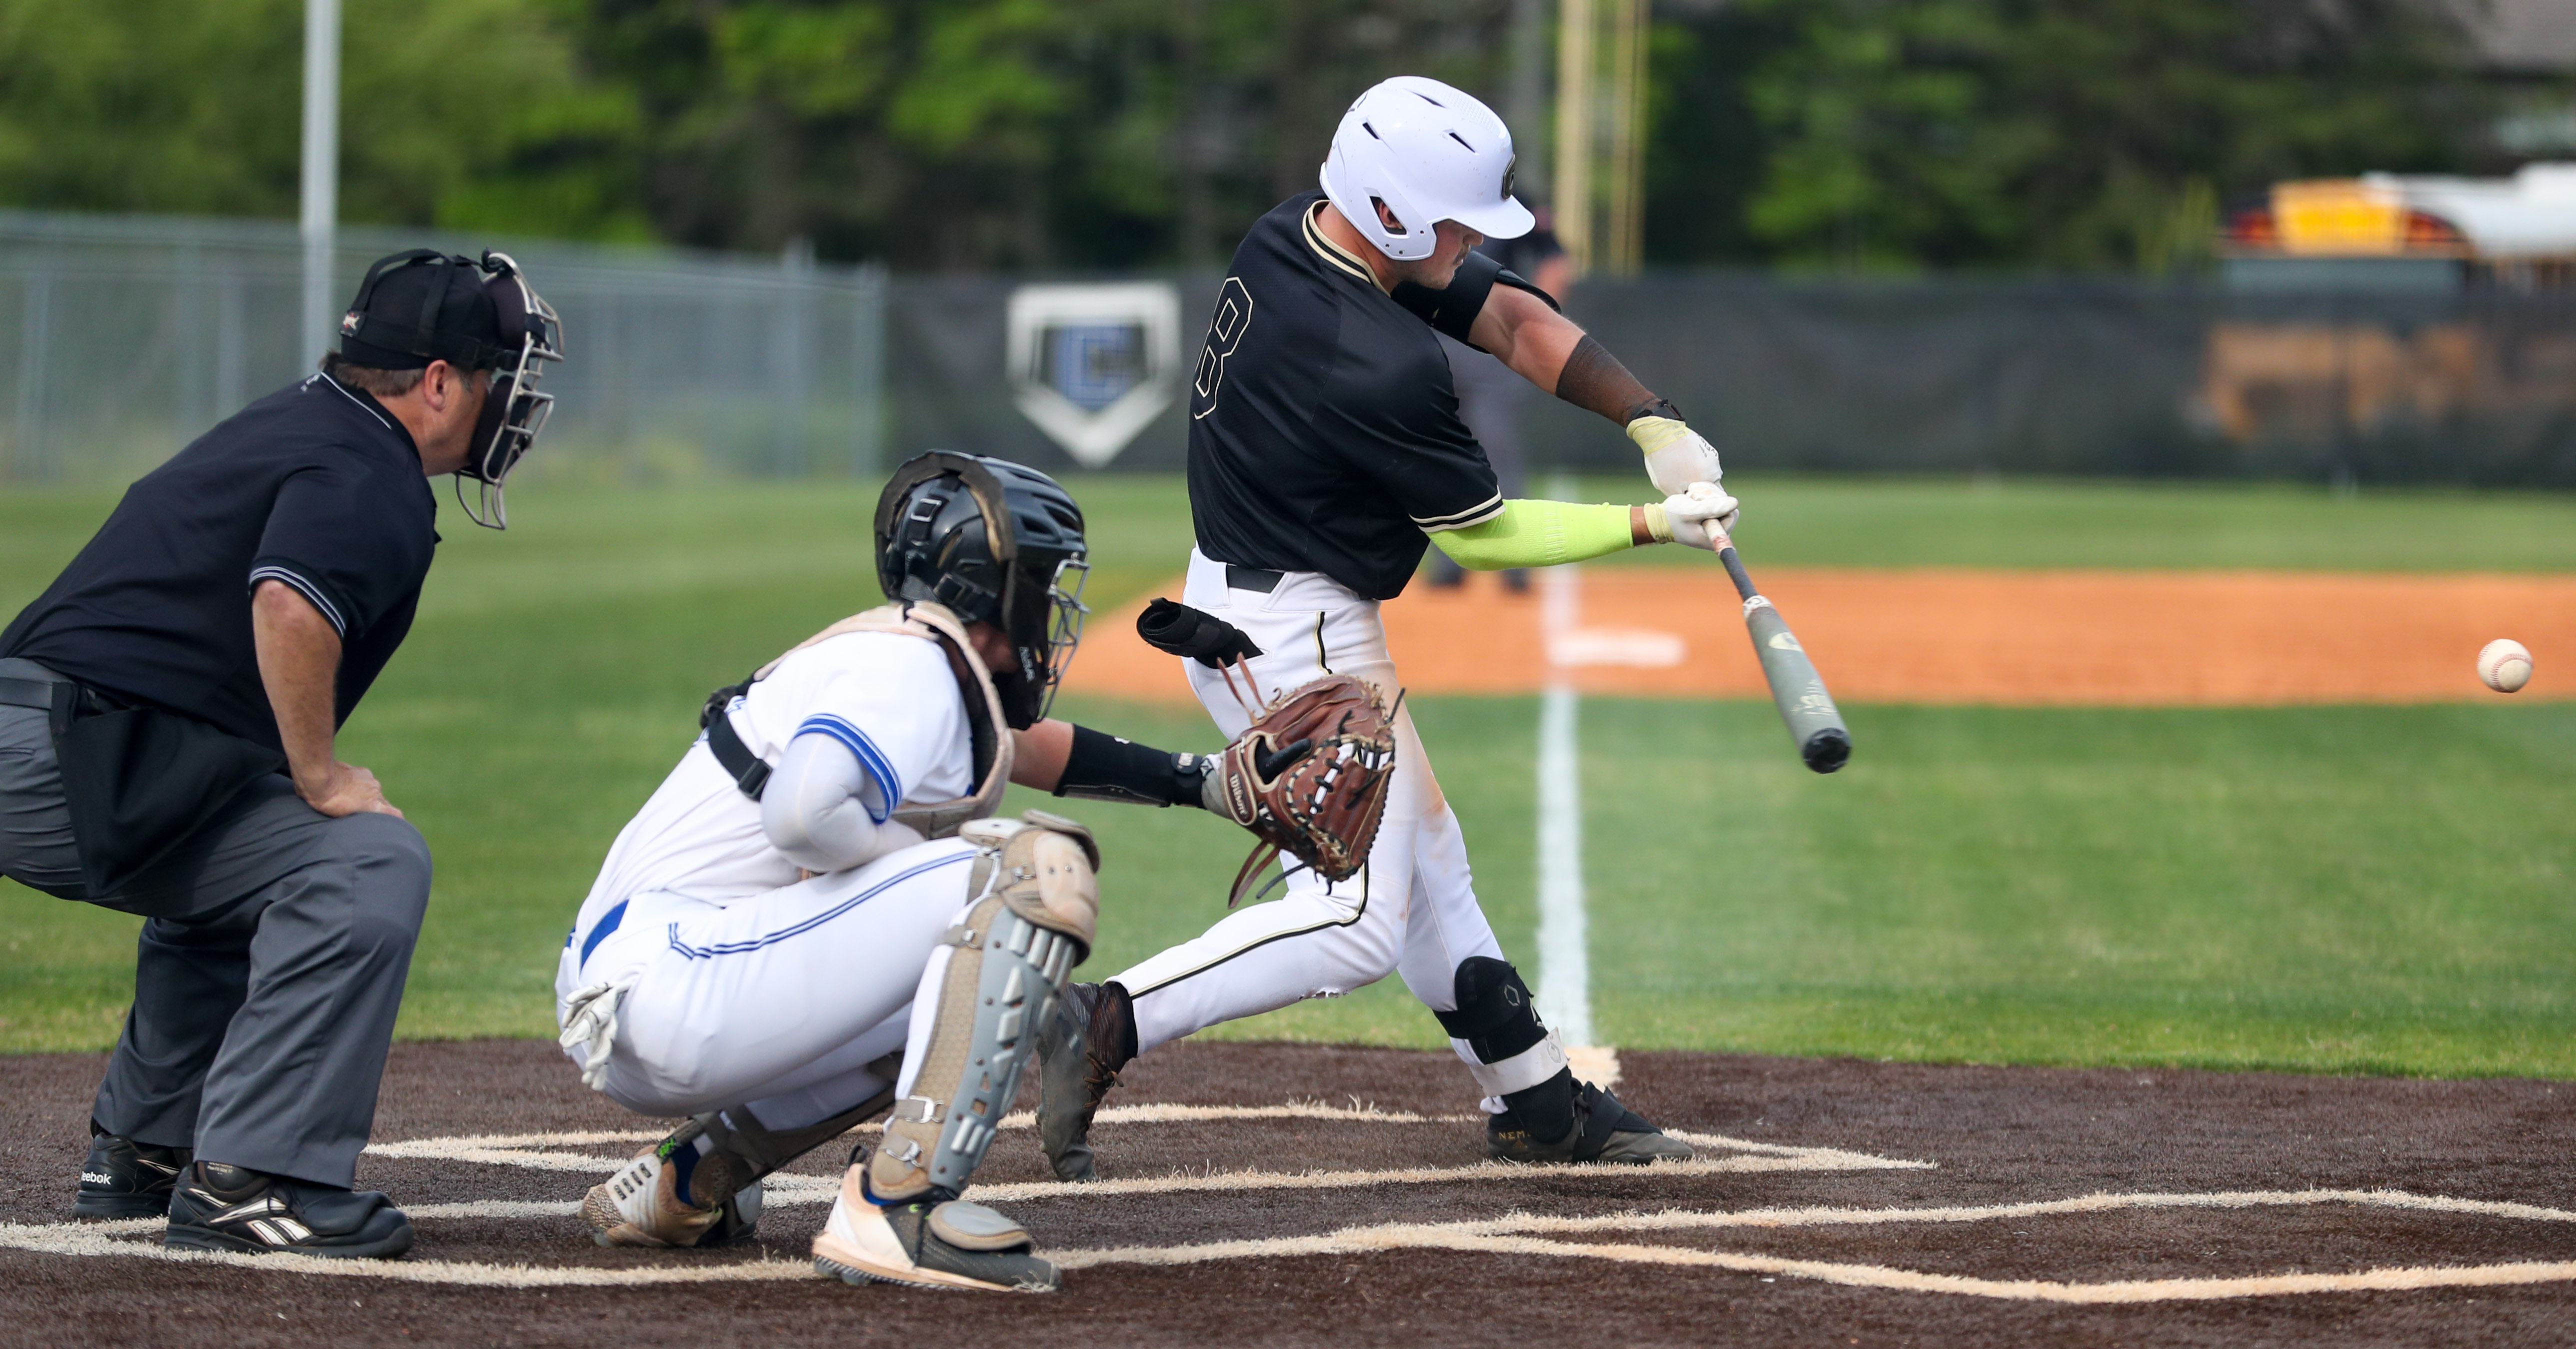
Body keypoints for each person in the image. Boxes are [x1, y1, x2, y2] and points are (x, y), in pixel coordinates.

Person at [1037, 75, 1738, 1178]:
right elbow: (1490, 537)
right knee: (1358, 918)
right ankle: (1103, 1020)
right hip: (1291, 635)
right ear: (1397, 212)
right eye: (1454, 220)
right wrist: (1654, 521)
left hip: (1266, 598)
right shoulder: (1367, 360)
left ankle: (1537, 1099)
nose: (1468, 241)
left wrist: (1646, 415)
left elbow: (1508, 312)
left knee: (1428, 854)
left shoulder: (1296, 234)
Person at [555, 452, 1285, 1292]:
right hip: (672, 983)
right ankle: (897, 1210)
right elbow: (800, 812)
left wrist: (1206, 783)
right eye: (1042, 582)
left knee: (965, 976)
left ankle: (695, 1176)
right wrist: (904, 866)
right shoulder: (913, 667)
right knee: (1031, 870)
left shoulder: (915, 663)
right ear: (992, 589)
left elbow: (1023, 753)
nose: (1052, 609)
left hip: (664, 989)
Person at [0, 249, 564, 1257]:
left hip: (66, 736)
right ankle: (254, 1177)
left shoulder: (312, 419)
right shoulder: (369, 468)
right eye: (493, 377)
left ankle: (144, 1150)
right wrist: (320, 772)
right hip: (70, 752)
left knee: (260, 852)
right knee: (363, 859)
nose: (507, 402)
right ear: (438, 382)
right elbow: (289, 601)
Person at [1425, 211, 1574, 594]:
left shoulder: (1511, 199)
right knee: (1436, 450)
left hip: (1486, 340)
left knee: (1497, 450)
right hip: (1429, 337)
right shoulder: (1423, 186)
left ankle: (1514, 560)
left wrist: (1535, 319)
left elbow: (1555, 259)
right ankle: (1448, 563)